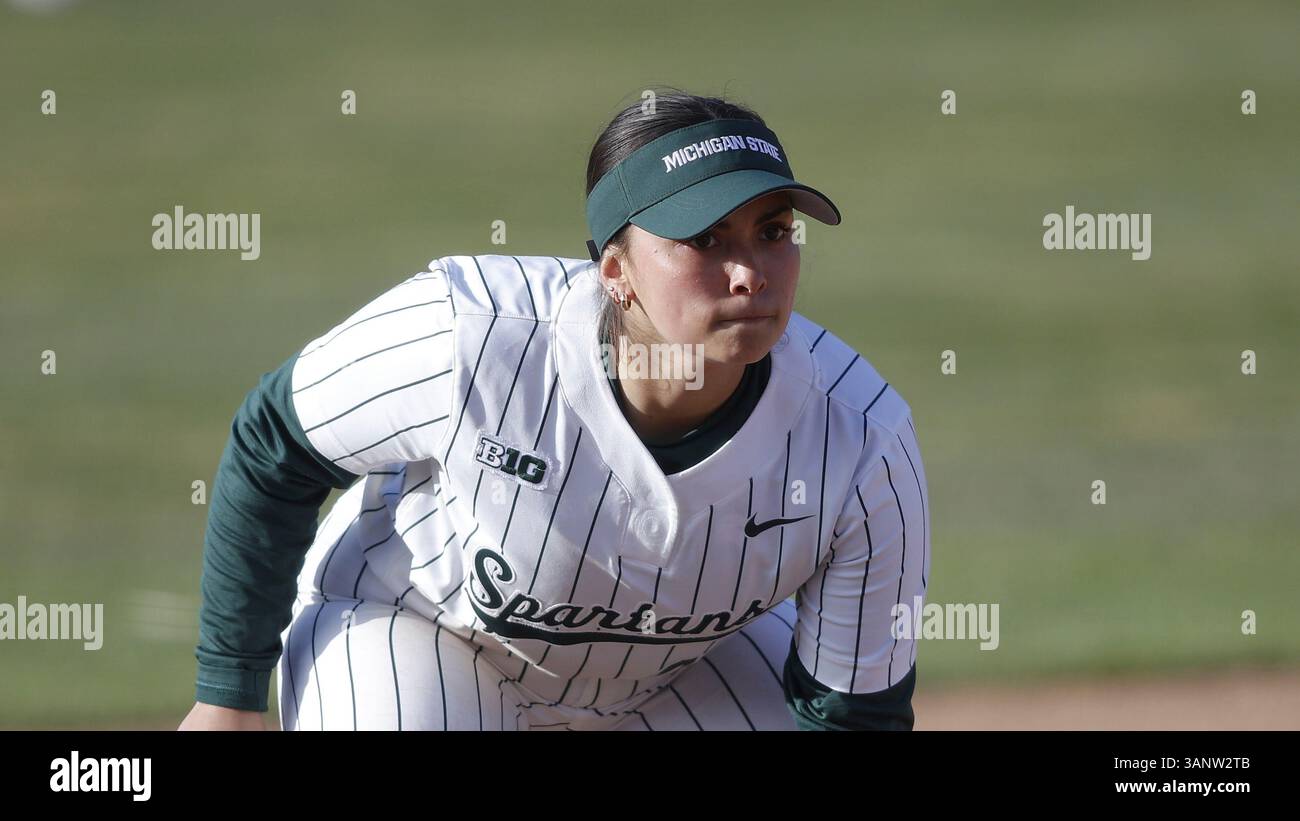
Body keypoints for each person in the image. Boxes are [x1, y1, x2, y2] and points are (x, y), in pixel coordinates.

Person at [178, 89, 930, 731]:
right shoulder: (474, 335)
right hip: (415, 627)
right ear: (616, 271)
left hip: (679, 672)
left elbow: (852, 711)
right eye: (706, 237)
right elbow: (277, 439)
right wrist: (227, 697)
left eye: (773, 233)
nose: (749, 274)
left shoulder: (861, 437)